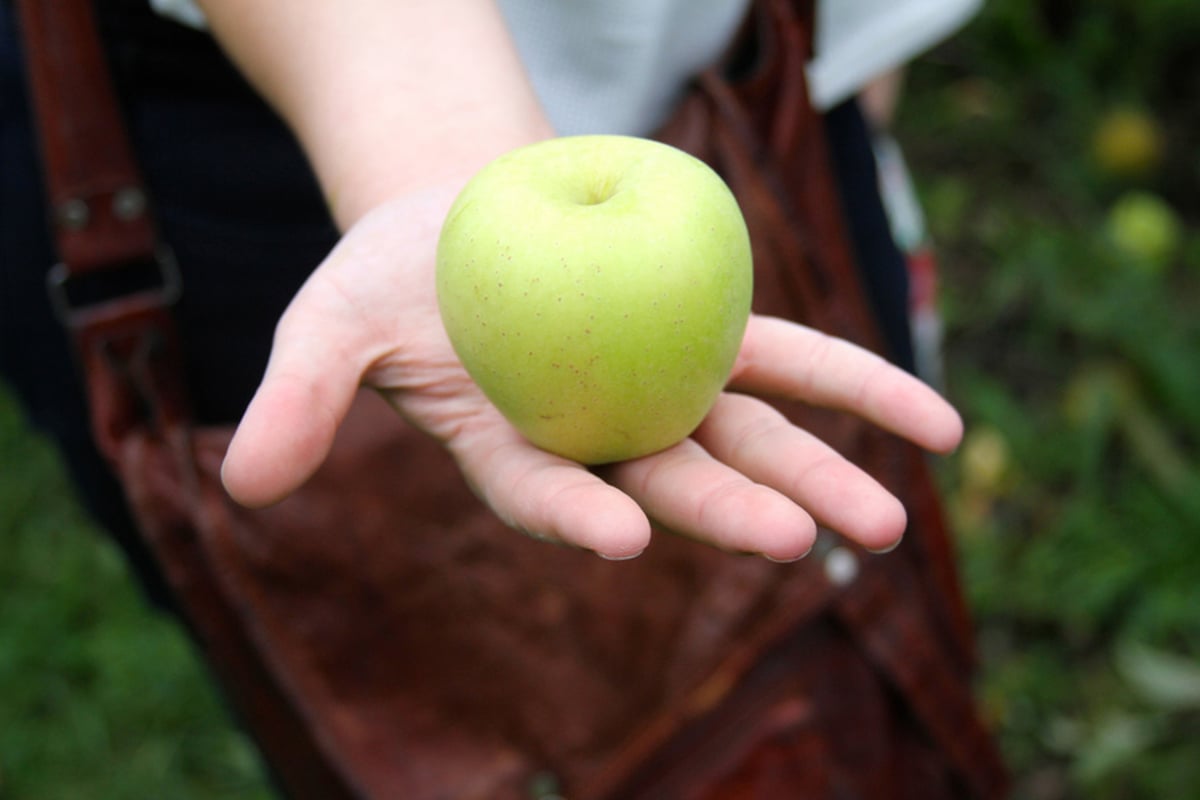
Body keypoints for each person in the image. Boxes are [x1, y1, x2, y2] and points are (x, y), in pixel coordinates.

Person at [1, 0, 1001, 796]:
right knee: (410, 700)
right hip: (262, 105)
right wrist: (433, 159)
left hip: (740, 61)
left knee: (855, 630)